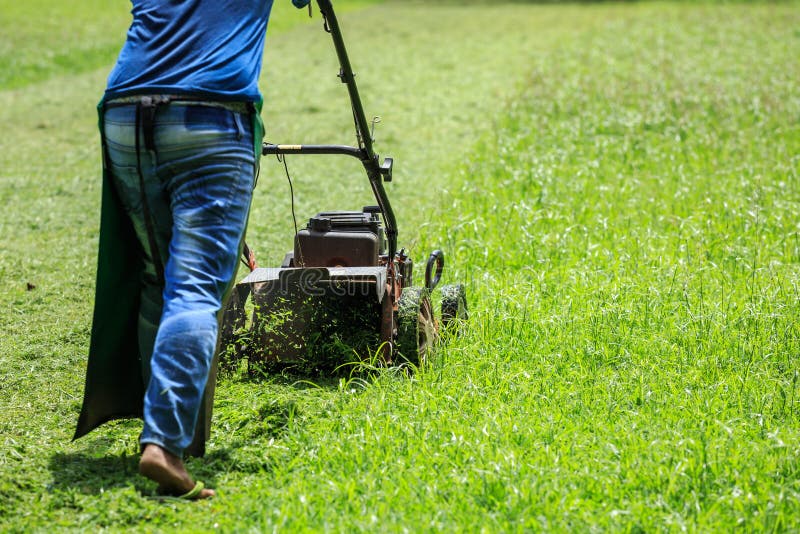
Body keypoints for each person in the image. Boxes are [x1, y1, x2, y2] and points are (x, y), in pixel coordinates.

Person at [74, 0, 310, 500]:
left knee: (159, 277)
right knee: (195, 288)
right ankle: (164, 445)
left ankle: (172, 429)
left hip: (126, 108)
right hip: (211, 110)